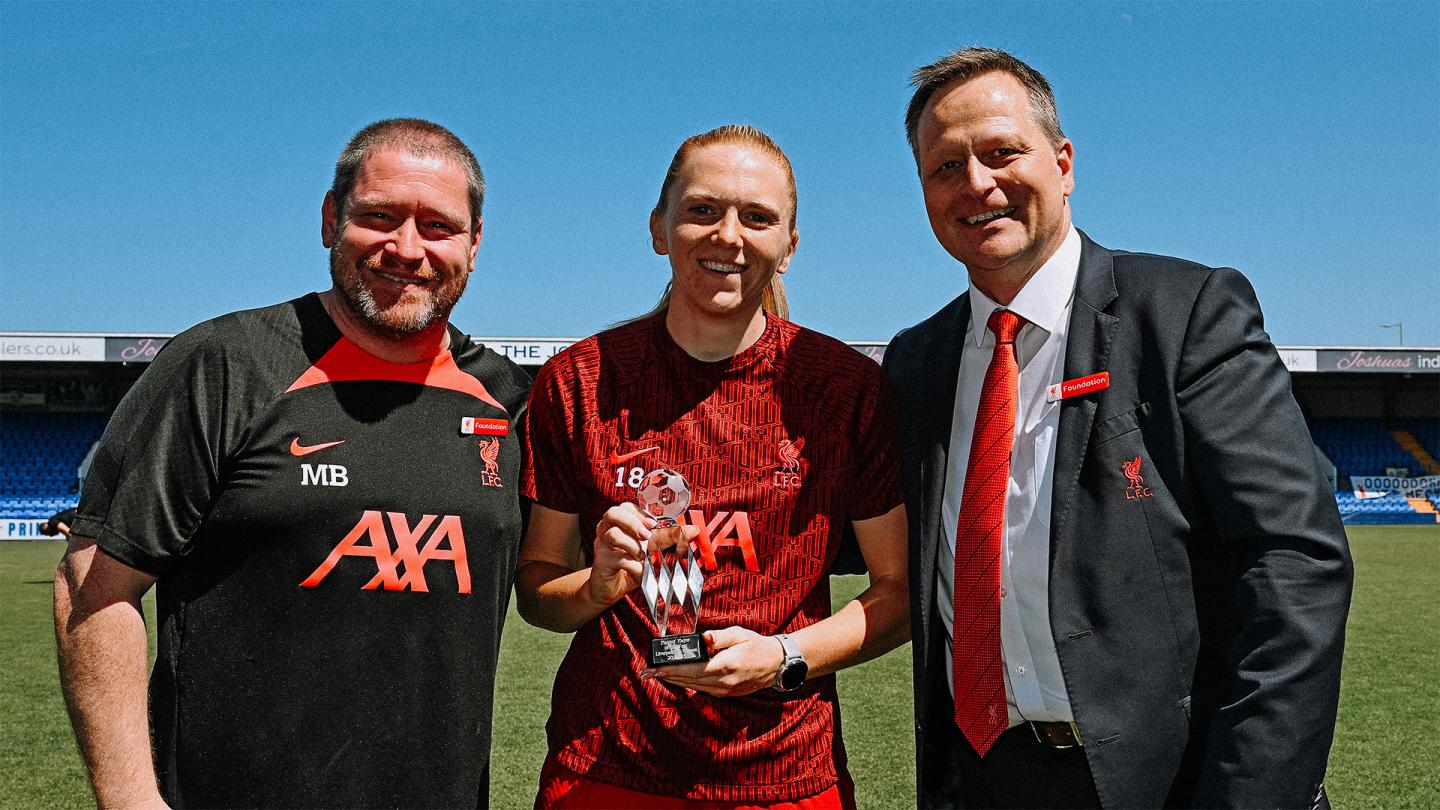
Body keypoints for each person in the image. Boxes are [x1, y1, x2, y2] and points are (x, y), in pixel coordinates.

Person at [884, 48, 1352, 809]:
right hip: (987, 780)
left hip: (1174, 780)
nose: (977, 183)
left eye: (1002, 152)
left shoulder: (1186, 313)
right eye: (945, 167)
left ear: (1063, 163)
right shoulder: (916, 362)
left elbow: (1294, 563)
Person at [53, 118, 532, 809]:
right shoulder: (225, 365)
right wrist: (131, 799)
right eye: (379, 217)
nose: (407, 248)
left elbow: (558, 580)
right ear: (331, 219)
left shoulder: (511, 400)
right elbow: (94, 585)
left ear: (474, 243)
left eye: (438, 226)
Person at [517, 125, 909, 808]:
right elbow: (537, 588)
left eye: (757, 217)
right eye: (702, 209)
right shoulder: (578, 381)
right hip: (605, 765)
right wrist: (595, 587)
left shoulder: (846, 389)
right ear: (658, 229)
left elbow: (899, 594)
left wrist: (783, 657)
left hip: (785, 773)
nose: (728, 235)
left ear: (790, 245)